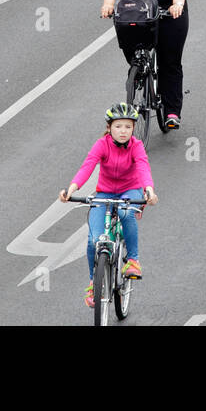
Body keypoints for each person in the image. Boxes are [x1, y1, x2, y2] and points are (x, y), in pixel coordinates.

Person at [58, 103, 156, 309]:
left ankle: (133, 261)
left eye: (128, 127)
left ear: (133, 129)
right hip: (105, 193)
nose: (123, 131)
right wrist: (72, 189)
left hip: (130, 191)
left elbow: (143, 166)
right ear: (109, 127)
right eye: (119, 126)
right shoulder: (101, 145)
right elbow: (88, 165)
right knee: (94, 240)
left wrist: (148, 190)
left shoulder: (136, 146)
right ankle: (95, 282)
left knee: (126, 213)